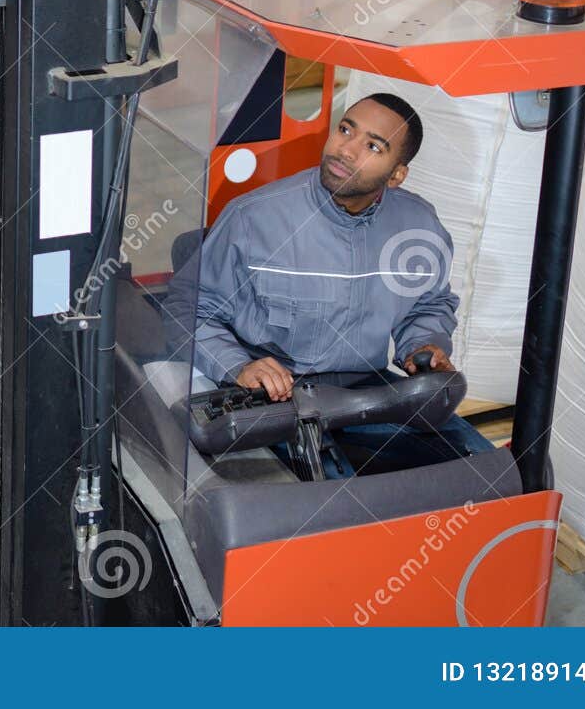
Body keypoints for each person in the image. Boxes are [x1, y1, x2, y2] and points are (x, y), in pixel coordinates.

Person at [164, 92, 492, 478]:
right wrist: (237, 365)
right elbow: (186, 310)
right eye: (345, 130)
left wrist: (422, 344)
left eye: (372, 146)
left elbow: (427, 304)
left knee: (482, 473)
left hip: (367, 394)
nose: (345, 151)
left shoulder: (418, 226)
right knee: (338, 506)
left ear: (398, 174)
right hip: (273, 400)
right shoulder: (254, 219)